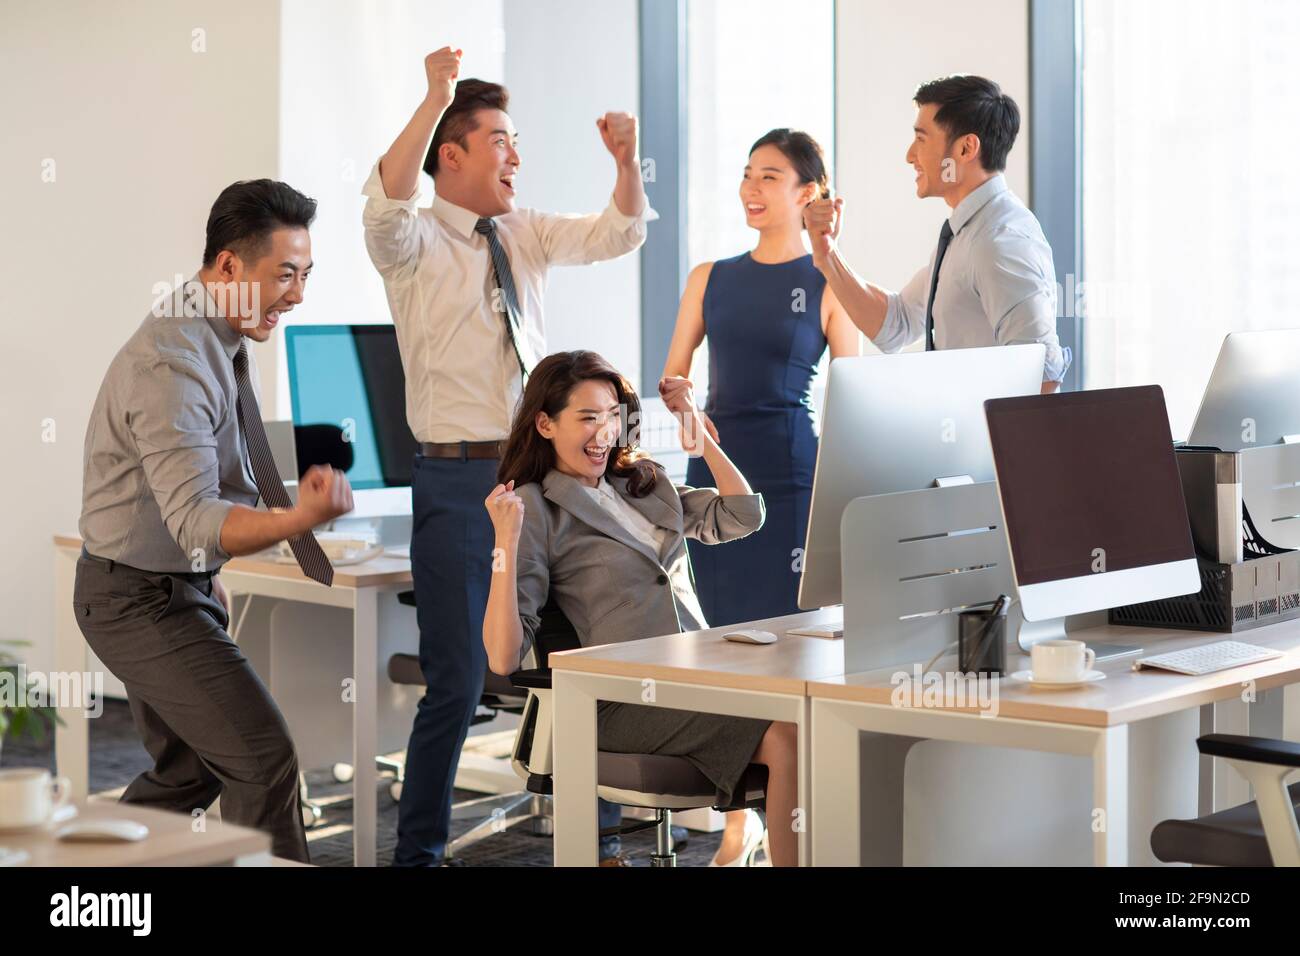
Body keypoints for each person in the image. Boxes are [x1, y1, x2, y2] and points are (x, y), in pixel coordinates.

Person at [362, 46, 653, 866]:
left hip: (544, 470)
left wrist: (627, 163)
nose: (515, 156)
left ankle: (590, 844)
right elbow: (384, 198)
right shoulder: (412, 243)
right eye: (499, 141)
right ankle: (416, 854)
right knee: (456, 681)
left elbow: (620, 232)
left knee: (577, 660)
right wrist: (434, 94)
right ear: (450, 156)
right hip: (459, 479)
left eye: (516, 141)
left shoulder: (523, 231)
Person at [74, 180, 354, 863]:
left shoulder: (217, 334)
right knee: (263, 759)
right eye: (283, 274)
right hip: (134, 600)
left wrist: (202, 569)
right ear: (228, 266)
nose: (297, 294)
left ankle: (81, 882)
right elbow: (198, 518)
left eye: (306, 274)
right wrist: (297, 518)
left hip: (167, 586)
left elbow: (196, 514)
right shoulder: (172, 362)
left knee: (189, 773)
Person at [481, 350, 801, 867]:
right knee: (786, 737)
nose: (604, 432)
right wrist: (505, 541)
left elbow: (743, 515)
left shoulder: (643, 483)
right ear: (544, 423)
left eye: (613, 415)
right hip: (623, 700)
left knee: (816, 717)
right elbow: (503, 656)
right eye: (587, 417)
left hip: (697, 676)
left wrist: (692, 423)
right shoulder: (536, 507)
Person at [803, 75, 1068, 392]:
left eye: (921, 139)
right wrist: (827, 255)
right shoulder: (966, 234)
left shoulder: (1001, 240)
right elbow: (895, 325)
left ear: (966, 148)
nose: (910, 155)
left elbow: (1042, 374)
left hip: (984, 442)